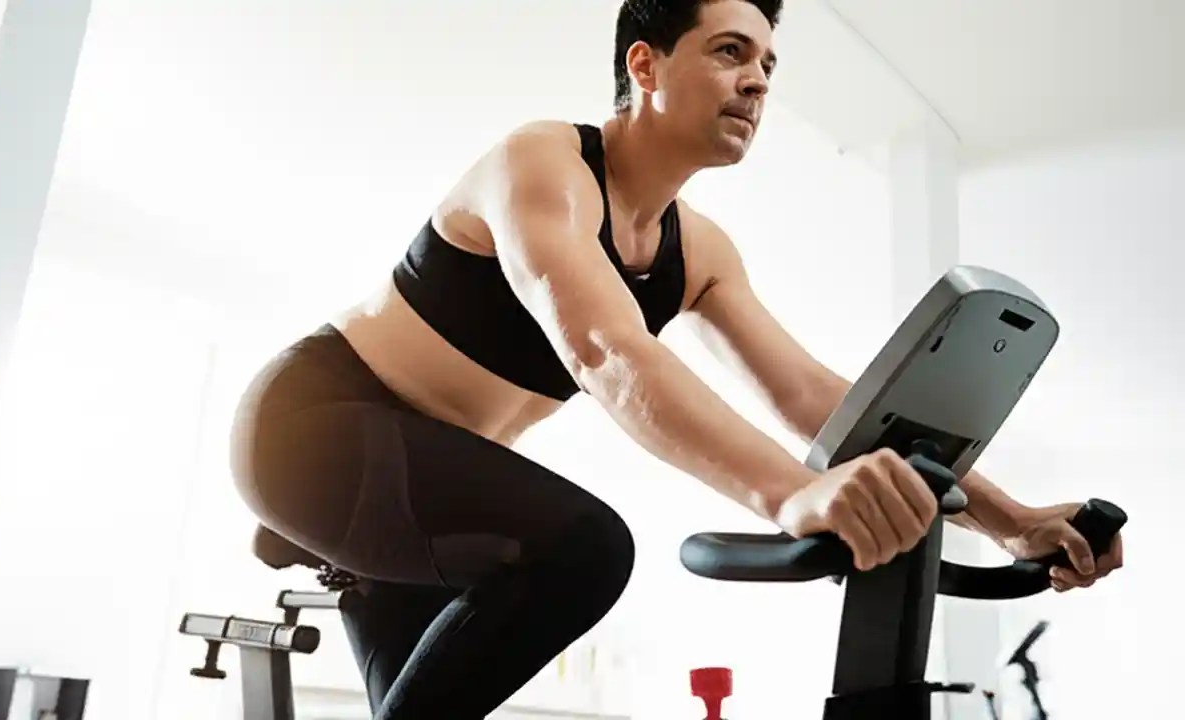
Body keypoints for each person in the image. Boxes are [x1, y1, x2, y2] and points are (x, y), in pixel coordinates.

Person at [228, 0, 1125, 717]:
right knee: (584, 551)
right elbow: (605, 352)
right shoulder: (541, 161)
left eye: (769, 66)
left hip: (417, 480)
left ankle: (349, 564)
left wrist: (1010, 519)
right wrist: (790, 493)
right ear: (645, 65)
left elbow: (815, 397)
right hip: (316, 427)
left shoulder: (699, 252)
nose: (757, 82)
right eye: (732, 52)